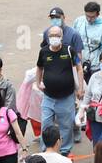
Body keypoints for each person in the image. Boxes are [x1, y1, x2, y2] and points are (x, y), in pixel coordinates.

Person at [37, 23, 86, 156]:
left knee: (66, 125)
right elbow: (39, 68)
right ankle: (45, 149)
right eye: (51, 35)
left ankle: (64, 149)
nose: (54, 38)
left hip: (66, 97)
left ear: (62, 37)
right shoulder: (44, 51)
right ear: (47, 37)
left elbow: (79, 67)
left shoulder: (70, 50)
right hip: (48, 96)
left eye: (57, 35)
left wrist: (80, 88)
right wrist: (38, 82)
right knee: (46, 123)